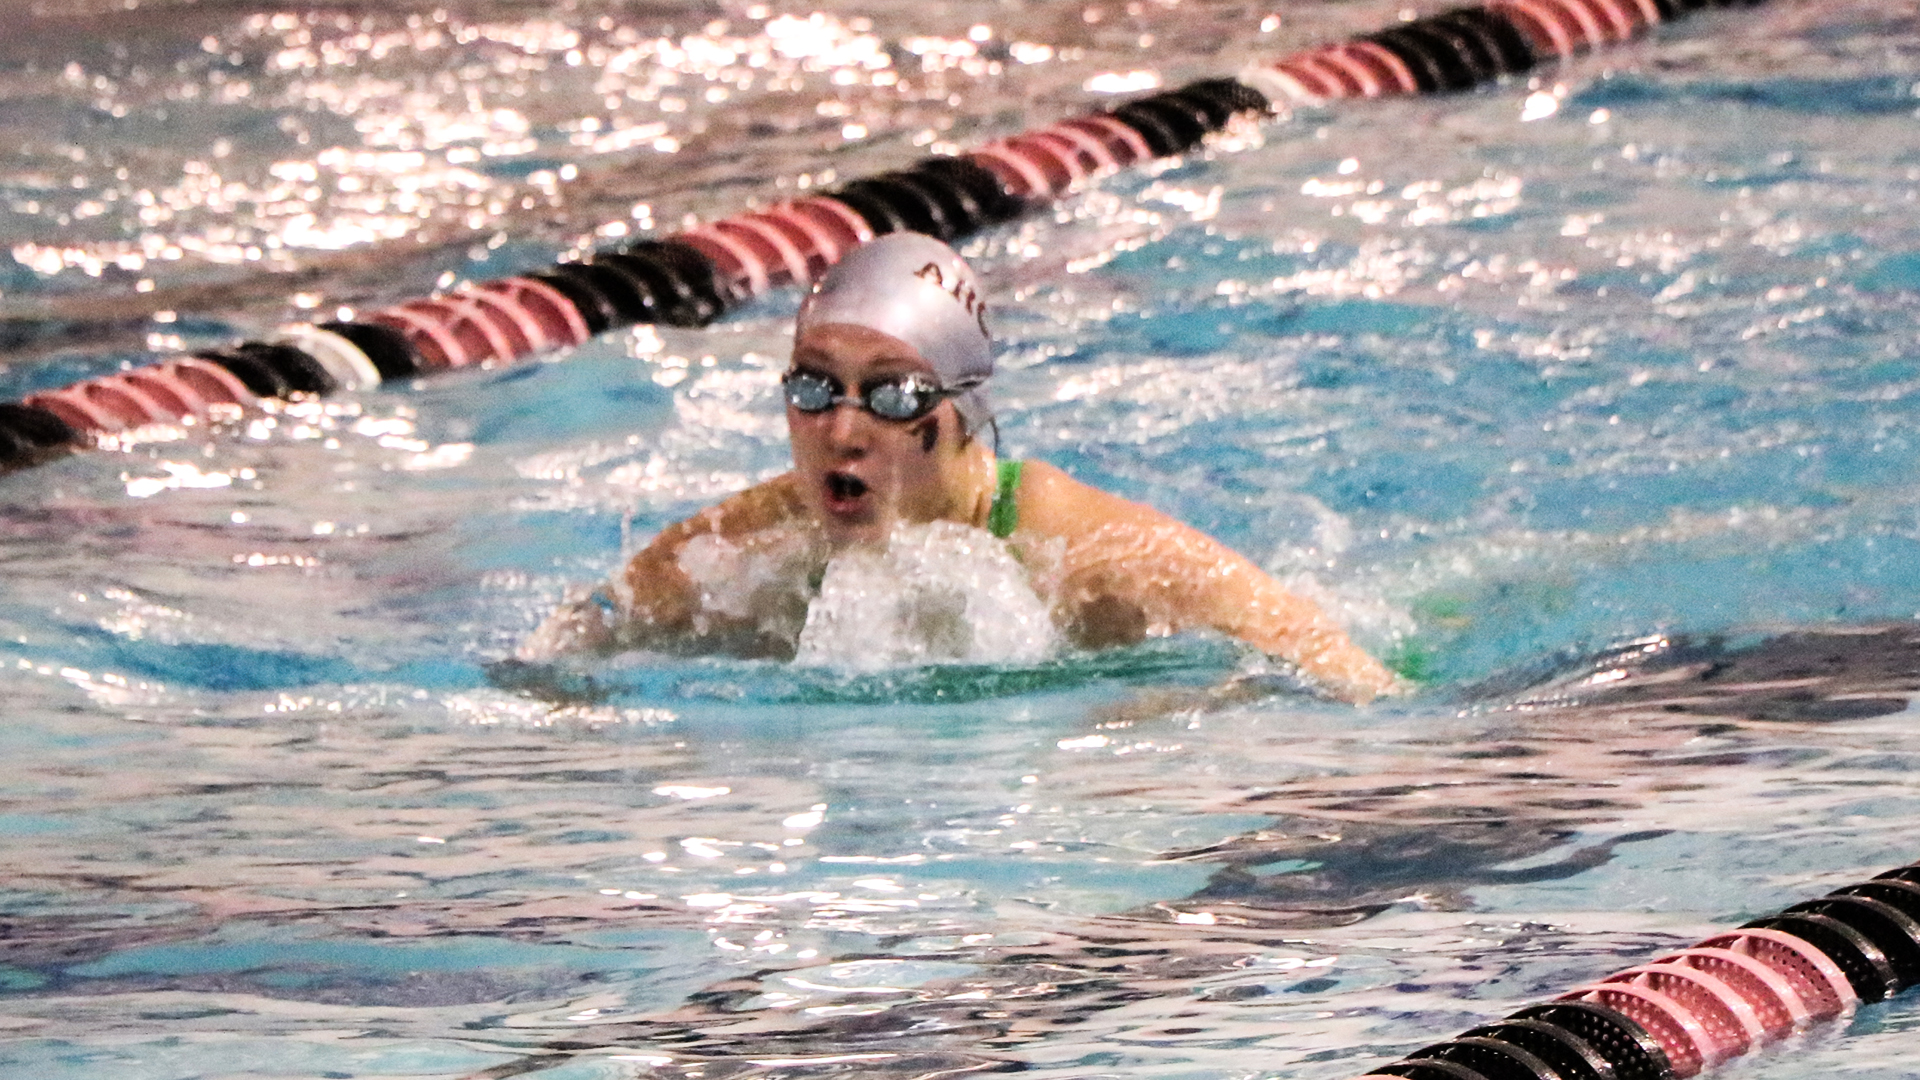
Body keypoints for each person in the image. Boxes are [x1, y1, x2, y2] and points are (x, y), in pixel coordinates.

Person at [520, 234, 1396, 703]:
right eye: (815, 388)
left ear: (965, 410)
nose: (844, 431)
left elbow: (1338, 667)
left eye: (894, 397)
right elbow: (574, 641)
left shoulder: (1079, 549)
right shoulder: (754, 541)